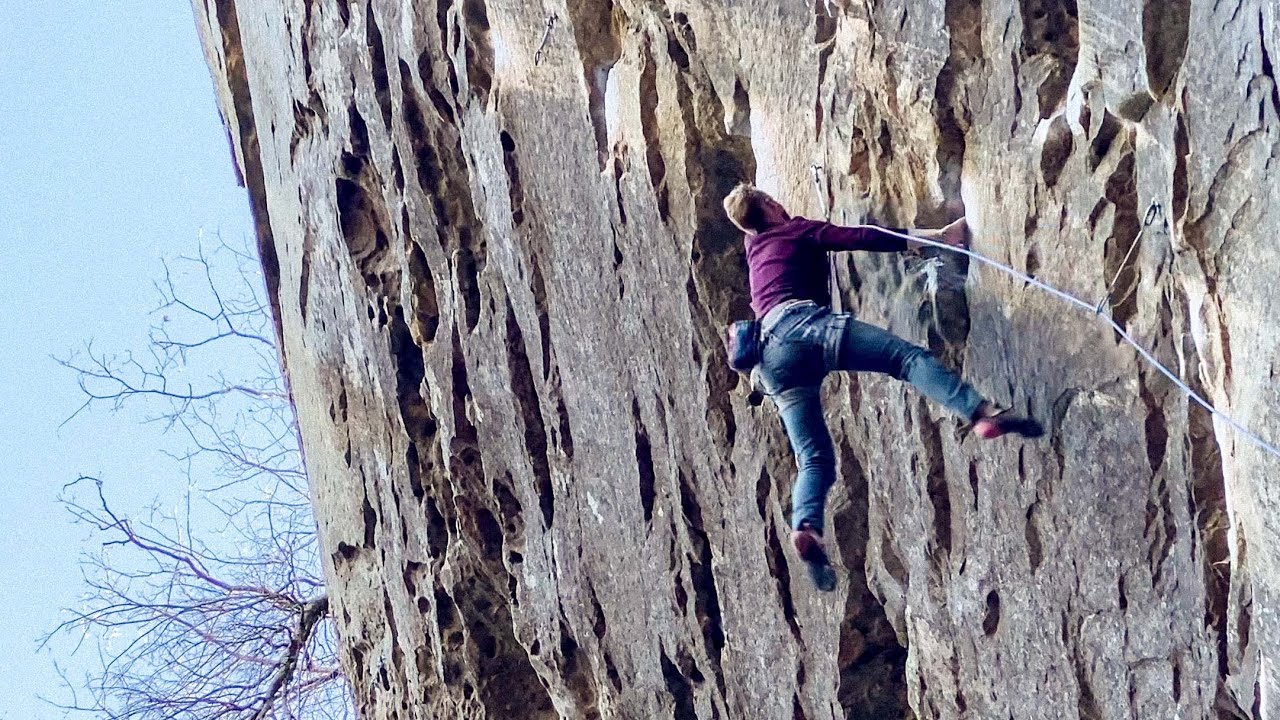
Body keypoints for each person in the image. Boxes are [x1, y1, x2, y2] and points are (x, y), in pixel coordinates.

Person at [723, 183, 1043, 591]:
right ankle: (980, 413)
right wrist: (937, 238)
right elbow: (861, 237)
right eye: (773, 201)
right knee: (905, 360)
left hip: (770, 363)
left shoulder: (754, 247)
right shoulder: (794, 230)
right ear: (769, 205)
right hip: (802, 327)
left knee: (813, 458)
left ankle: (806, 526)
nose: (780, 203)